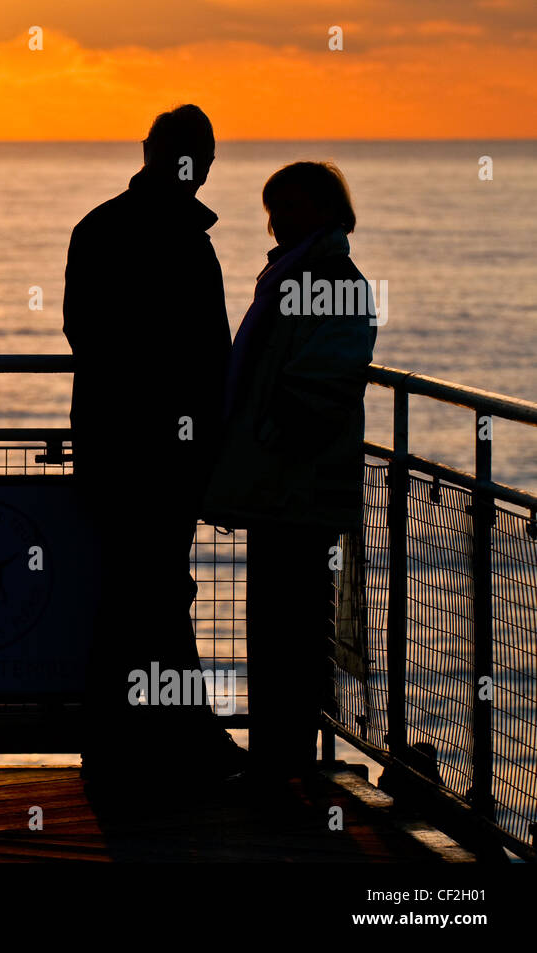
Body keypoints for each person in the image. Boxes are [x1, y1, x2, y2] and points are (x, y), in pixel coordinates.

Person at [62, 104, 240, 805]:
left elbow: (85, 334)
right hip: (168, 451)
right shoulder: (187, 241)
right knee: (157, 589)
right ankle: (176, 738)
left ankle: (124, 742)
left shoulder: (98, 228)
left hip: (111, 442)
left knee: (136, 590)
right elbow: (212, 355)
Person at [202, 160, 377, 787]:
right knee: (279, 620)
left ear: (327, 210)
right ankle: (281, 754)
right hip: (278, 483)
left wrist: (266, 438)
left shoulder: (327, 278)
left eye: (293, 206)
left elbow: (321, 383)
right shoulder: (300, 272)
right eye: (276, 207)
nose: (279, 219)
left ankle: (288, 757)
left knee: (293, 624)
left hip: (294, 483)